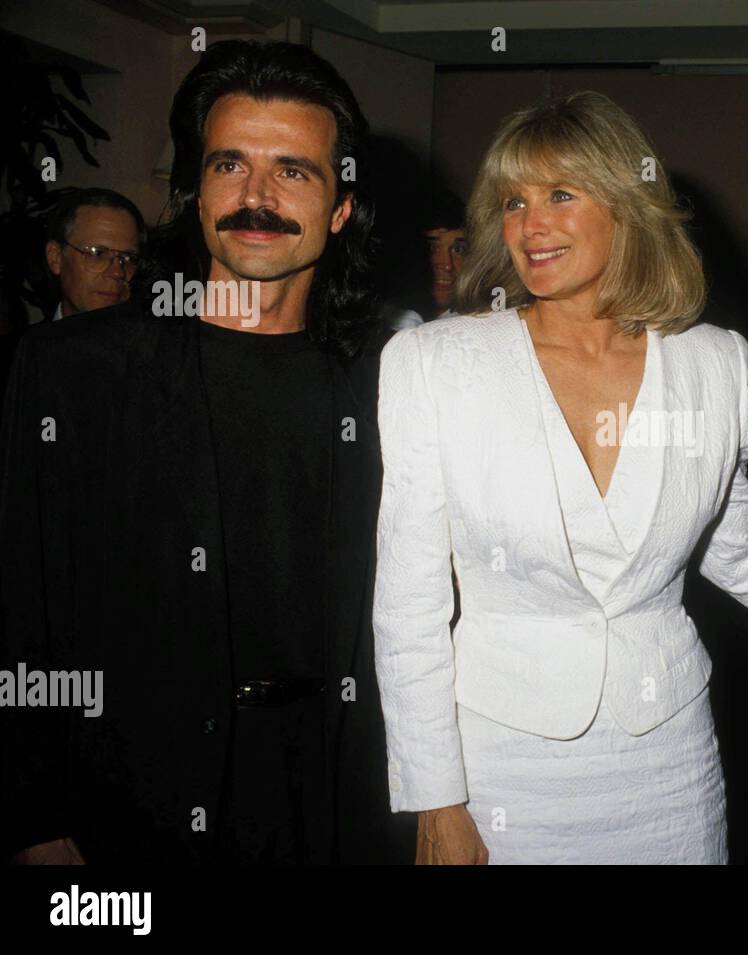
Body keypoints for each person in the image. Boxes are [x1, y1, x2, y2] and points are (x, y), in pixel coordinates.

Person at [0, 40, 411, 863]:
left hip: (333, 801)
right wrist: (36, 821)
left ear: (340, 206)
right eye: (230, 165)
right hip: (127, 809)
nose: (255, 196)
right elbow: (21, 606)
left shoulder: (392, 383)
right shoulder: (75, 370)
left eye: (293, 171)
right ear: (196, 192)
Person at [374, 90, 748, 864]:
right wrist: (435, 796)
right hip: (501, 762)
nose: (529, 224)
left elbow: (739, 546)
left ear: (628, 205)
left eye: (560, 194)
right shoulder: (437, 364)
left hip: (669, 759)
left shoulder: (713, 361)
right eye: (513, 201)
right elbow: (408, 599)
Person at [42, 187, 145, 320]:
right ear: (55, 258)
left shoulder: (158, 339)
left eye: (128, 258)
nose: (117, 272)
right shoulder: (24, 340)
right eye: (98, 254)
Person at [386, 192, 467, 331]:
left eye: (458, 249)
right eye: (432, 248)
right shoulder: (375, 318)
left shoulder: (474, 327)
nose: (447, 264)